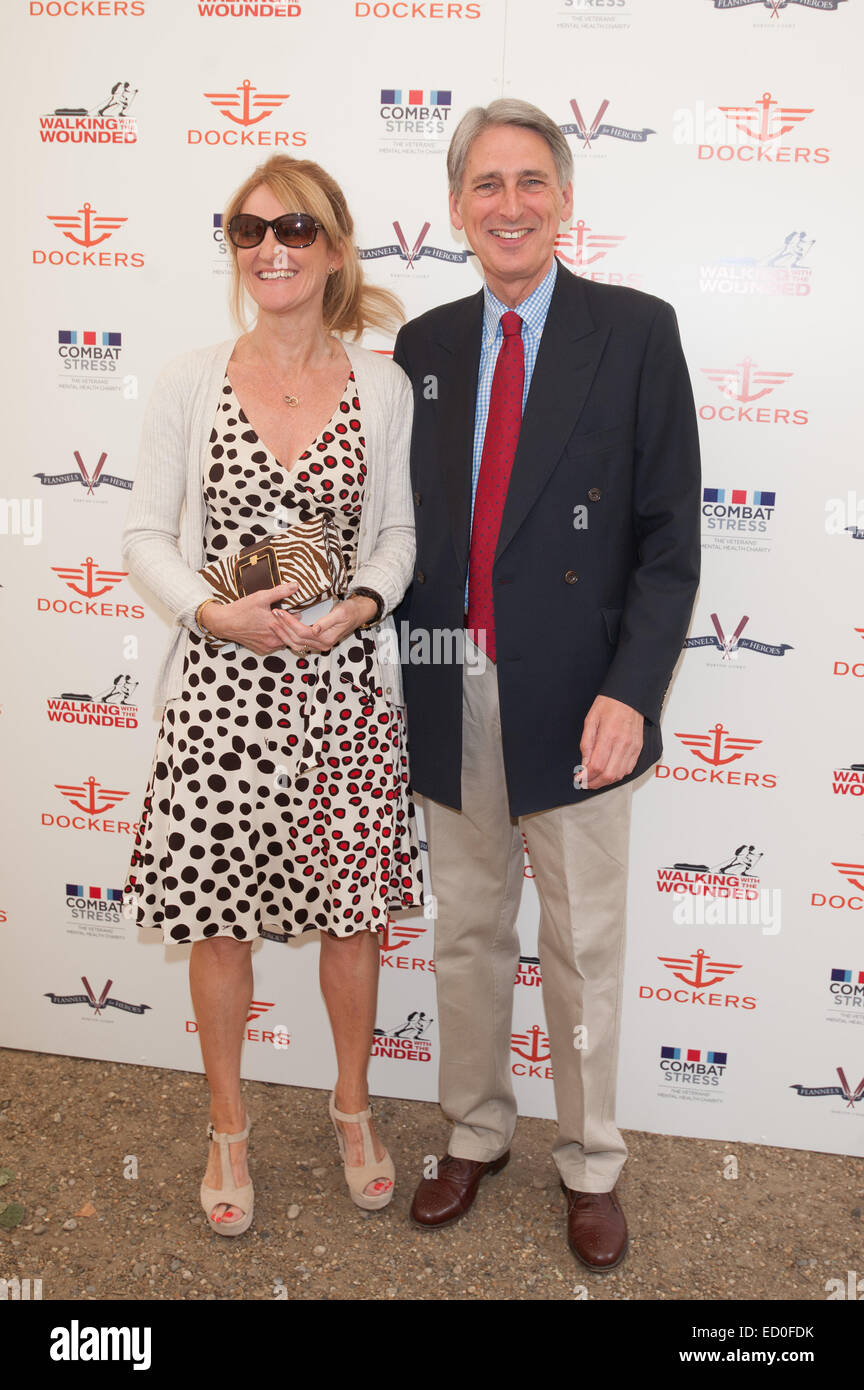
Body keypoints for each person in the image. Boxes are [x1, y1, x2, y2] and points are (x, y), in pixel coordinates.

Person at [392, 99, 701, 1271]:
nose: (508, 205)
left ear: (566, 199)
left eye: (531, 182)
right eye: (486, 184)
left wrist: (633, 689)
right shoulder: (421, 347)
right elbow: (400, 532)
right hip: (448, 684)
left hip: (585, 701)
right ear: (457, 207)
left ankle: (591, 1161)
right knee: (467, 931)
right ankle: (473, 1130)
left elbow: (671, 538)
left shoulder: (634, 331)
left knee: (582, 946)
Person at [122, 154, 422, 1235]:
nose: (271, 249)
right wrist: (213, 612)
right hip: (220, 695)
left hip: (341, 692)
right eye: (248, 231)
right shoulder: (187, 379)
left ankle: (352, 1108)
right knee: (218, 920)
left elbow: (396, 533)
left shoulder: (381, 387)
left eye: (295, 229)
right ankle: (228, 1126)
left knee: (352, 918)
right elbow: (146, 536)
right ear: (234, 248)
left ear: (334, 246)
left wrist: (365, 603)